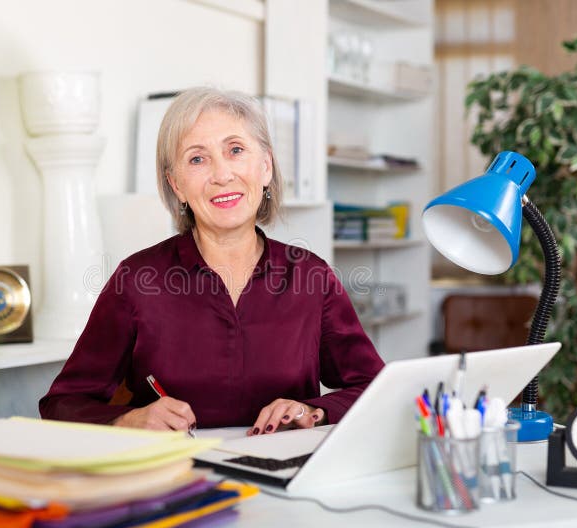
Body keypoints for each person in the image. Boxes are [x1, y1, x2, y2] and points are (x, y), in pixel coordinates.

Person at [39, 87, 384, 436]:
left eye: (235, 150)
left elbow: (376, 387)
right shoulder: (135, 280)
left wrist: (314, 410)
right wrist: (128, 419)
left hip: (288, 474)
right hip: (178, 477)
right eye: (197, 159)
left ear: (265, 167)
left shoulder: (311, 276)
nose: (221, 175)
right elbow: (62, 403)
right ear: (177, 185)